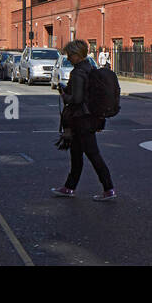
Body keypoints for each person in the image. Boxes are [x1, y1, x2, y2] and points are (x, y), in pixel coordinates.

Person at [50, 40, 115, 201]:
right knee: (76, 154)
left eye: (69, 55)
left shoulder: (78, 73)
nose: (68, 59)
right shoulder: (90, 68)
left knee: (93, 155)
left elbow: (77, 99)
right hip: (87, 118)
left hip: (81, 120)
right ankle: (69, 187)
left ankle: (109, 189)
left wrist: (64, 94)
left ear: (77, 55)